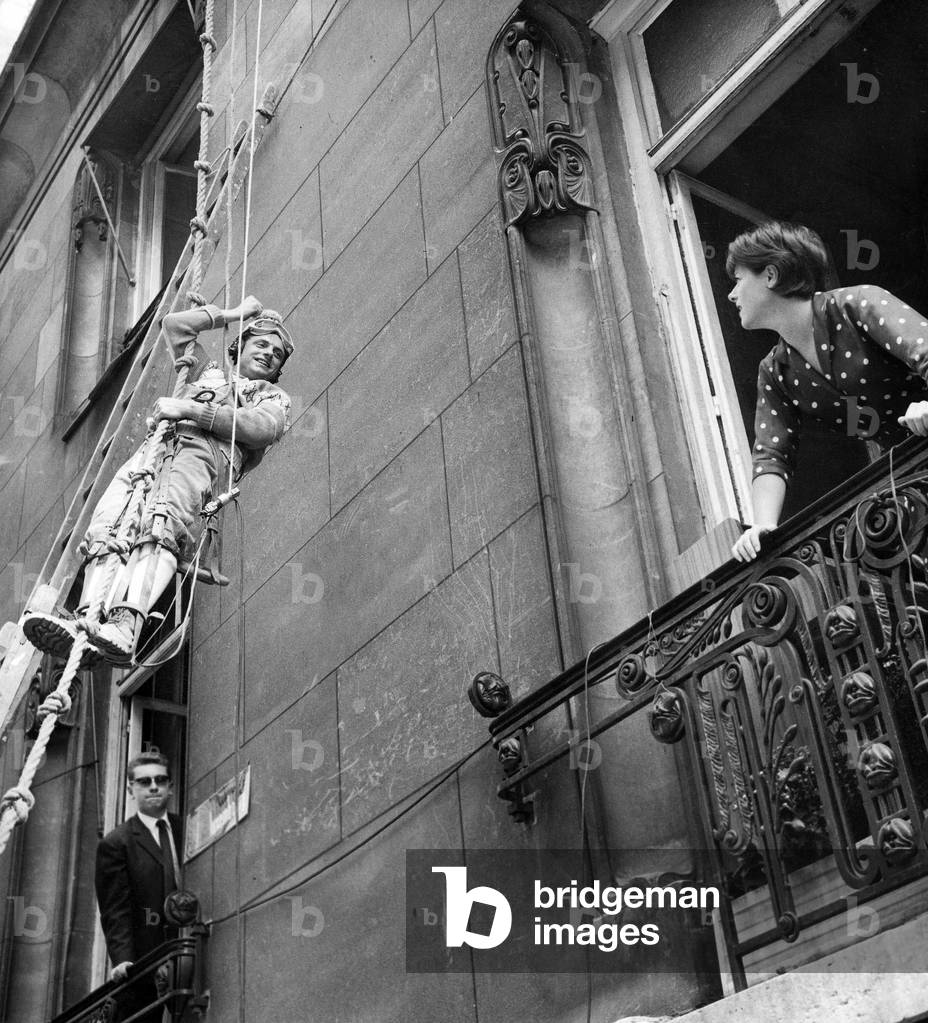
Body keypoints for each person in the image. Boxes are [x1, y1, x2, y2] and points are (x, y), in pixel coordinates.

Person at [23, 296, 292, 662]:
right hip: (155, 452)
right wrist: (232, 314)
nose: (268, 354)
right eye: (261, 344)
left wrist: (189, 408)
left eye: (276, 354)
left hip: (202, 458)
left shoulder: (270, 395)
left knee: (162, 525)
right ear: (239, 345)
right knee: (112, 522)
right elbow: (175, 325)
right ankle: (88, 620)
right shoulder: (209, 372)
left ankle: (125, 625)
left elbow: (262, 428)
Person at [727, 221, 928, 562]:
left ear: (771, 275)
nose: (732, 294)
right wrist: (762, 526)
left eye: (738, 279)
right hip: (908, 484)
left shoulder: (858, 303)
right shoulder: (774, 371)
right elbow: (771, 455)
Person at [95, 751, 182, 1022]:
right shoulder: (117, 843)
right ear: (131, 789)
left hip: (189, 949)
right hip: (146, 962)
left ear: (170, 786)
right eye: (144, 782)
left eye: (160, 780)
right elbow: (114, 910)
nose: (154, 786)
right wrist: (122, 959)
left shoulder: (187, 826)